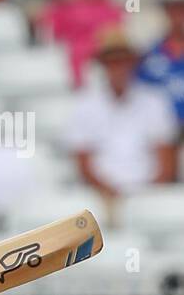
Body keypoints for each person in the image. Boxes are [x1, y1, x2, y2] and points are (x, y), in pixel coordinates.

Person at [65, 27, 178, 199]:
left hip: (149, 195)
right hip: (102, 197)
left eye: (123, 61)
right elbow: (83, 165)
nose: (119, 68)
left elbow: (167, 164)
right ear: (103, 65)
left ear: (133, 63)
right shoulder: (85, 105)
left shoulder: (155, 101)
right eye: (112, 62)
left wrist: (146, 196)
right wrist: (109, 194)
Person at [137, 0, 184, 125]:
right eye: (173, 7)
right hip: (161, 140)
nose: (179, 13)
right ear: (165, 10)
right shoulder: (147, 57)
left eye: (182, 6)